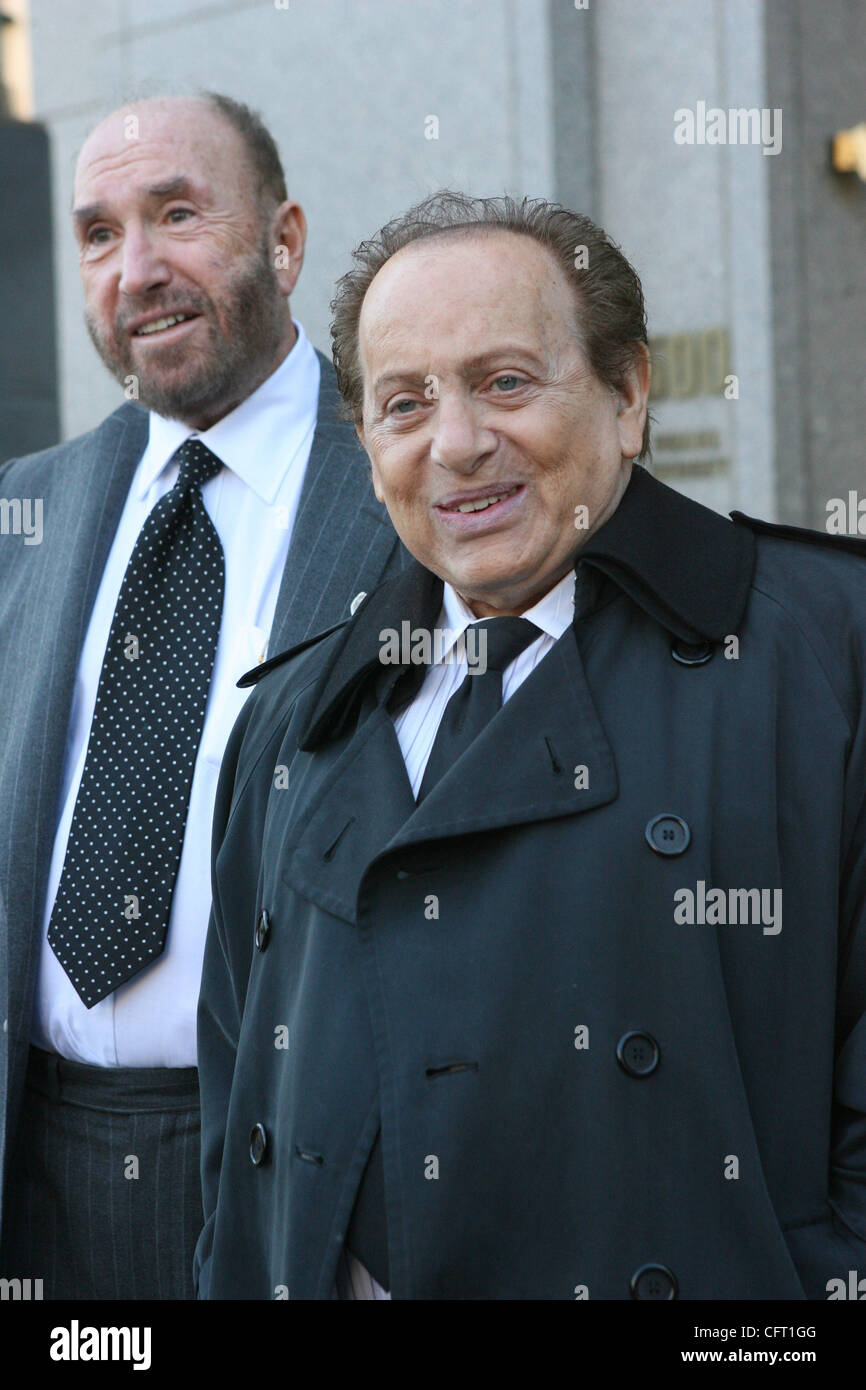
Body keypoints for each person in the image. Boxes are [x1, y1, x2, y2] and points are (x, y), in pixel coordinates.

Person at [195, 190, 866, 1300]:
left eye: (504, 381)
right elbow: (237, 1113)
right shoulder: (288, 714)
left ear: (628, 394)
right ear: (365, 446)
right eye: (404, 404)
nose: (457, 445)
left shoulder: (828, 653)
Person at [0, 93, 405, 1300]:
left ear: (282, 241)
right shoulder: (29, 509)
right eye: (98, 233)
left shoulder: (406, 494)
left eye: (177, 214)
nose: (138, 269)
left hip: (299, 1171)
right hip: (41, 1165)